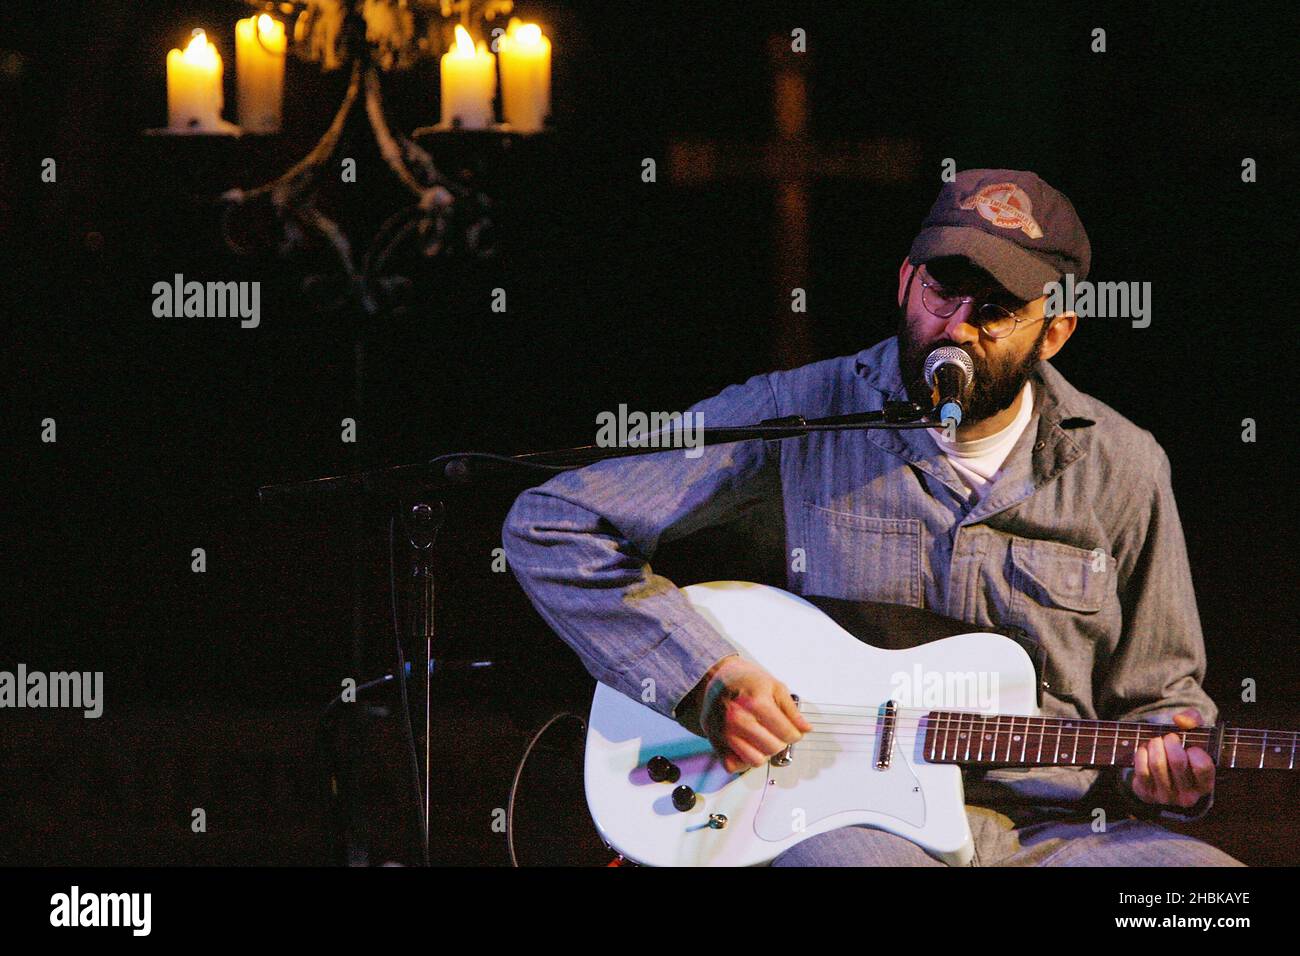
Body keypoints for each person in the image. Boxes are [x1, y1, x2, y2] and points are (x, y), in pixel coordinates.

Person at [501, 168, 1242, 866]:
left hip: (1053, 835)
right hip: (849, 823)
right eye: (942, 292)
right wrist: (703, 678)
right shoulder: (801, 414)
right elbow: (552, 525)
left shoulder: (1125, 465)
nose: (956, 327)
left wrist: (1173, 770)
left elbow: (1162, 700)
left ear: (1053, 334)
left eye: (995, 312)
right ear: (904, 281)